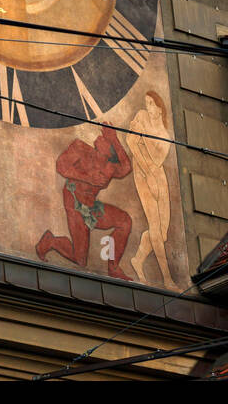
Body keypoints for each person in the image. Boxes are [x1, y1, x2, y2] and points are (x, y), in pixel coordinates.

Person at [36, 124, 133, 280]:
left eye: (106, 140)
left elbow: (126, 167)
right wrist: (88, 177)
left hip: (91, 205)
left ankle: (113, 267)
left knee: (125, 221)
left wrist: (114, 138)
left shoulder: (110, 168)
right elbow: (61, 166)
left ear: (110, 152)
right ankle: (51, 242)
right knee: (80, 260)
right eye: (103, 136)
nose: (101, 137)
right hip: (74, 201)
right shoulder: (80, 148)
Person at [127, 92, 173, 287]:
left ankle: (137, 260)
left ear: (160, 108)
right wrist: (146, 169)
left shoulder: (165, 136)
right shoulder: (141, 116)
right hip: (142, 176)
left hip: (158, 176)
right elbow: (131, 141)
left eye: (151, 104)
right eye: (146, 103)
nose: (148, 107)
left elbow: (156, 162)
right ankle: (167, 278)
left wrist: (150, 170)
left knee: (162, 233)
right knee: (155, 227)